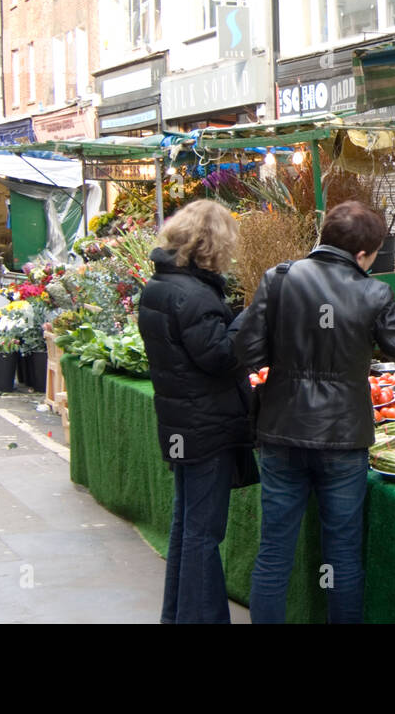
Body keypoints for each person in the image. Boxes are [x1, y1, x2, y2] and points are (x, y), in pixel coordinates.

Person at [231, 199, 395, 624]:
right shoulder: (372, 292)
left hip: (281, 432)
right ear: (363, 254)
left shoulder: (280, 279)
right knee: (341, 553)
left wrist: (289, 349)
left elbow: (245, 350)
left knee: (275, 550)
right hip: (343, 439)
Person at [137, 199, 254, 623]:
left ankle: (177, 616)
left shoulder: (159, 287)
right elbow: (221, 357)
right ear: (212, 244)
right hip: (206, 425)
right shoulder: (195, 296)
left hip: (180, 423)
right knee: (204, 533)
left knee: (186, 527)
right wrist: (246, 320)